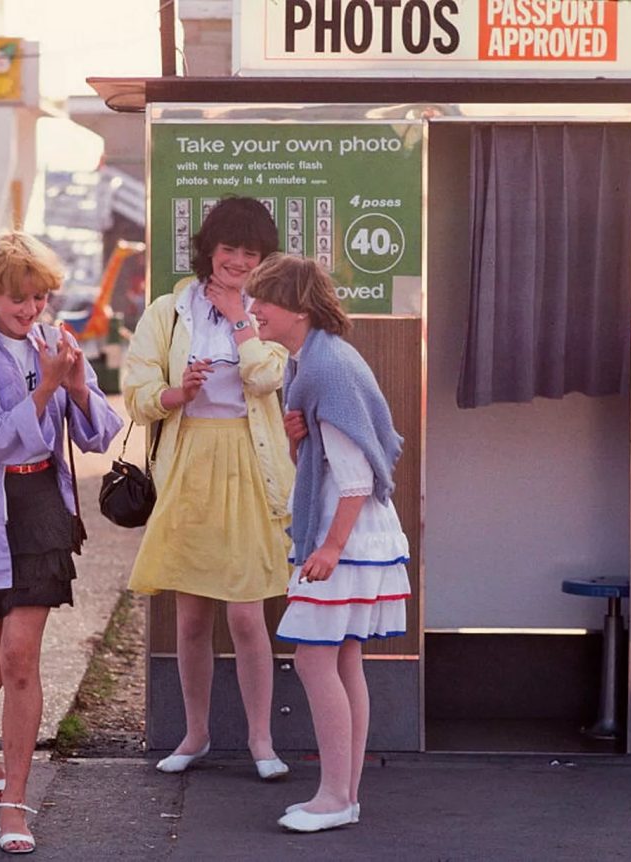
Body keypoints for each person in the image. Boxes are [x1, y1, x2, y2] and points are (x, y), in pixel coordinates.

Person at [0, 231, 122, 855]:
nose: (32, 310)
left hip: (40, 510)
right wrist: (44, 388)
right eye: (19, 299)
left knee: (19, 661)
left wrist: (77, 384)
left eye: (40, 298)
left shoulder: (56, 342)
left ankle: (15, 802)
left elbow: (99, 435)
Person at [123, 196, 294, 780]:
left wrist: (241, 317)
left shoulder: (268, 312)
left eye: (251, 253)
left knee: (246, 616)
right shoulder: (170, 311)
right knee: (191, 617)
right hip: (188, 462)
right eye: (229, 249)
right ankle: (195, 734)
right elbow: (137, 391)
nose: (239, 261)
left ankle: (261, 741)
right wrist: (179, 393)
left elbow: (268, 376)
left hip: (248, 463)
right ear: (209, 250)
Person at [245, 253, 410, 833]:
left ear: (298, 309)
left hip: (348, 537)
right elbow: (340, 459)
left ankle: (336, 798)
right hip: (362, 534)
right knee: (342, 658)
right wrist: (299, 442)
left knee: (315, 658)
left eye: (265, 299)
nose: (255, 308)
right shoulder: (315, 359)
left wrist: (331, 548)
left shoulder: (324, 368)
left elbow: (357, 475)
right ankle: (344, 796)